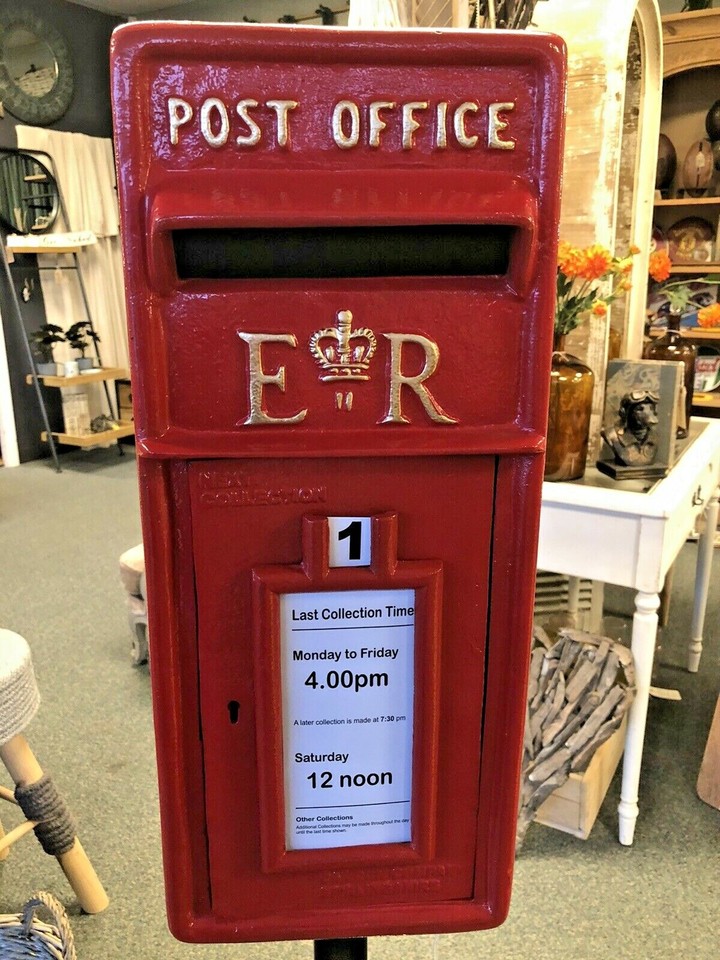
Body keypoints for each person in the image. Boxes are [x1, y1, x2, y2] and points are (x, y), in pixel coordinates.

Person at [601, 389, 660, 466]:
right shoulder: (612, 435)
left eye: (651, 408)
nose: (647, 413)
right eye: (639, 409)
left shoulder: (655, 437)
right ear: (626, 413)